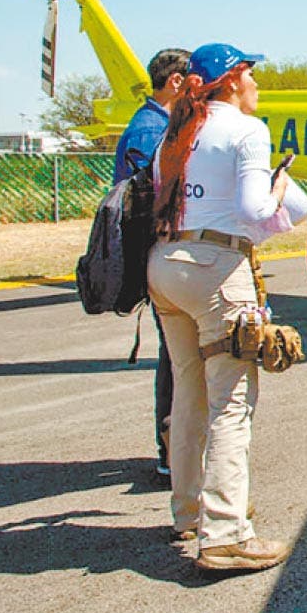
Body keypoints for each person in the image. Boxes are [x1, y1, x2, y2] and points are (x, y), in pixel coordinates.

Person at [148, 41, 307, 574]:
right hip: (216, 268)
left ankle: (189, 509)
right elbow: (253, 208)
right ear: (235, 79)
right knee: (232, 403)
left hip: (165, 264)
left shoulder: (178, 131)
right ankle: (225, 534)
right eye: (252, 75)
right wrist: (278, 187)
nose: (257, 85)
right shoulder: (246, 130)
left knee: (189, 390)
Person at [115, 47, 192, 479]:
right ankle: (171, 451)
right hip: (160, 253)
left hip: (163, 254)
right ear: (177, 82)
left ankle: (177, 447)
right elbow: (151, 201)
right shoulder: (150, 131)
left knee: (178, 355)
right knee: (177, 358)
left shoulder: (157, 126)